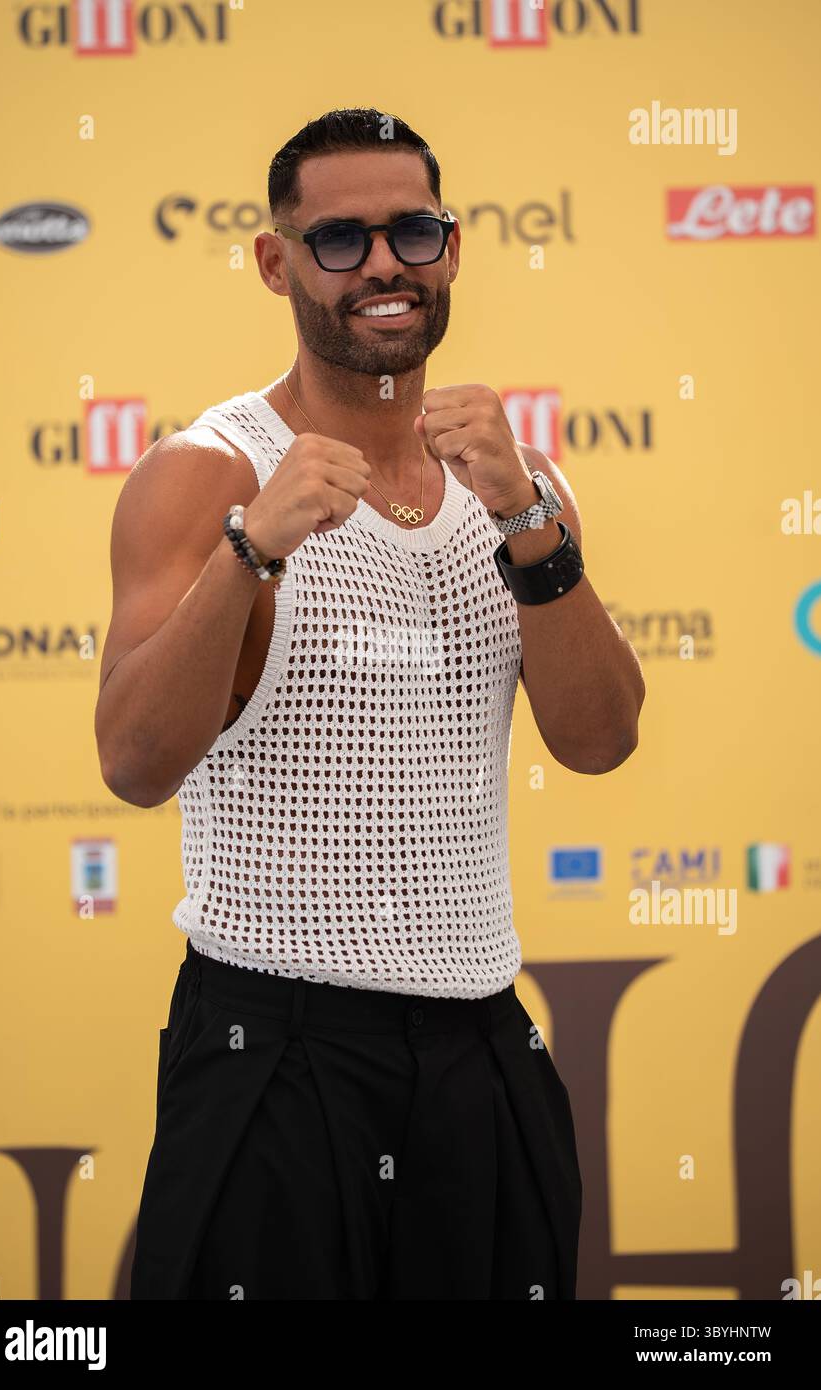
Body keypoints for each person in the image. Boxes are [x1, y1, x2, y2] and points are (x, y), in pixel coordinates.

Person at [95, 107, 645, 1300]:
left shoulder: (521, 484)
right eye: (339, 238)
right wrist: (249, 550)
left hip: (480, 1040)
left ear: (450, 248)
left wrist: (525, 519)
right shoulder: (209, 473)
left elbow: (598, 740)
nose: (383, 264)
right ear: (273, 260)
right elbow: (133, 761)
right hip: (269, 1049)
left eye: (412, 232)